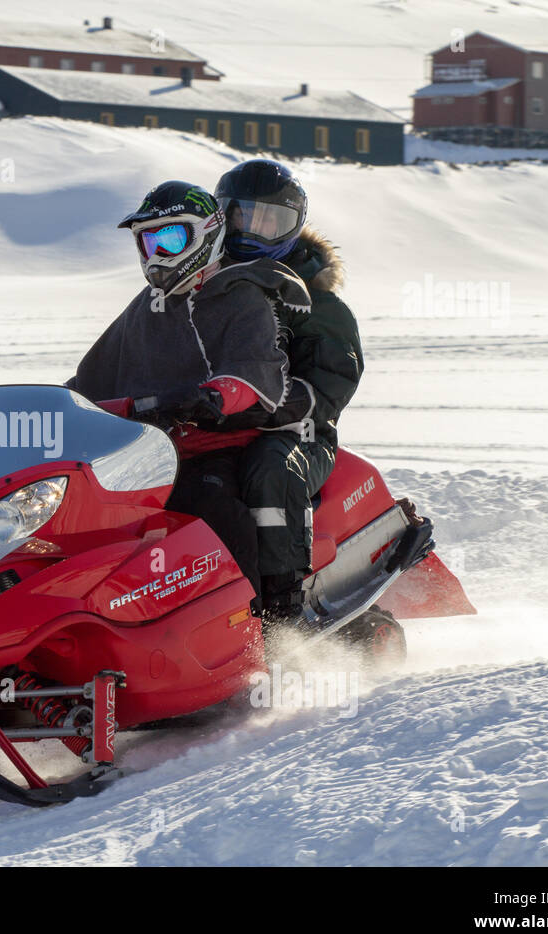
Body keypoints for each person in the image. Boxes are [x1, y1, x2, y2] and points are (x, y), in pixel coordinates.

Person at [65, 180, 312, 602]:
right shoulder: (150, 304)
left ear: (206, 232)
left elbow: (253, 368)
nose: (158, 254)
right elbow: (93, 376)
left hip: (223, 442)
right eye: (148, 243)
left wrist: (215, 397)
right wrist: (55, 408)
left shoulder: (241, 294)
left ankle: (256, 621)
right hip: (152, 449)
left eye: (171, 238)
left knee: (210, 506)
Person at [211, 159, 365, 628]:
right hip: (216, 426)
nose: (252, 233)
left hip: (299, 433)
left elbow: (332, 383)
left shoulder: (316, 300)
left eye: (269, 221)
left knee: (268, 472)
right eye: (241, 217)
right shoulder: (209, 287)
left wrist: (277, 400)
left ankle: (283, 605)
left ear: (293, 226)